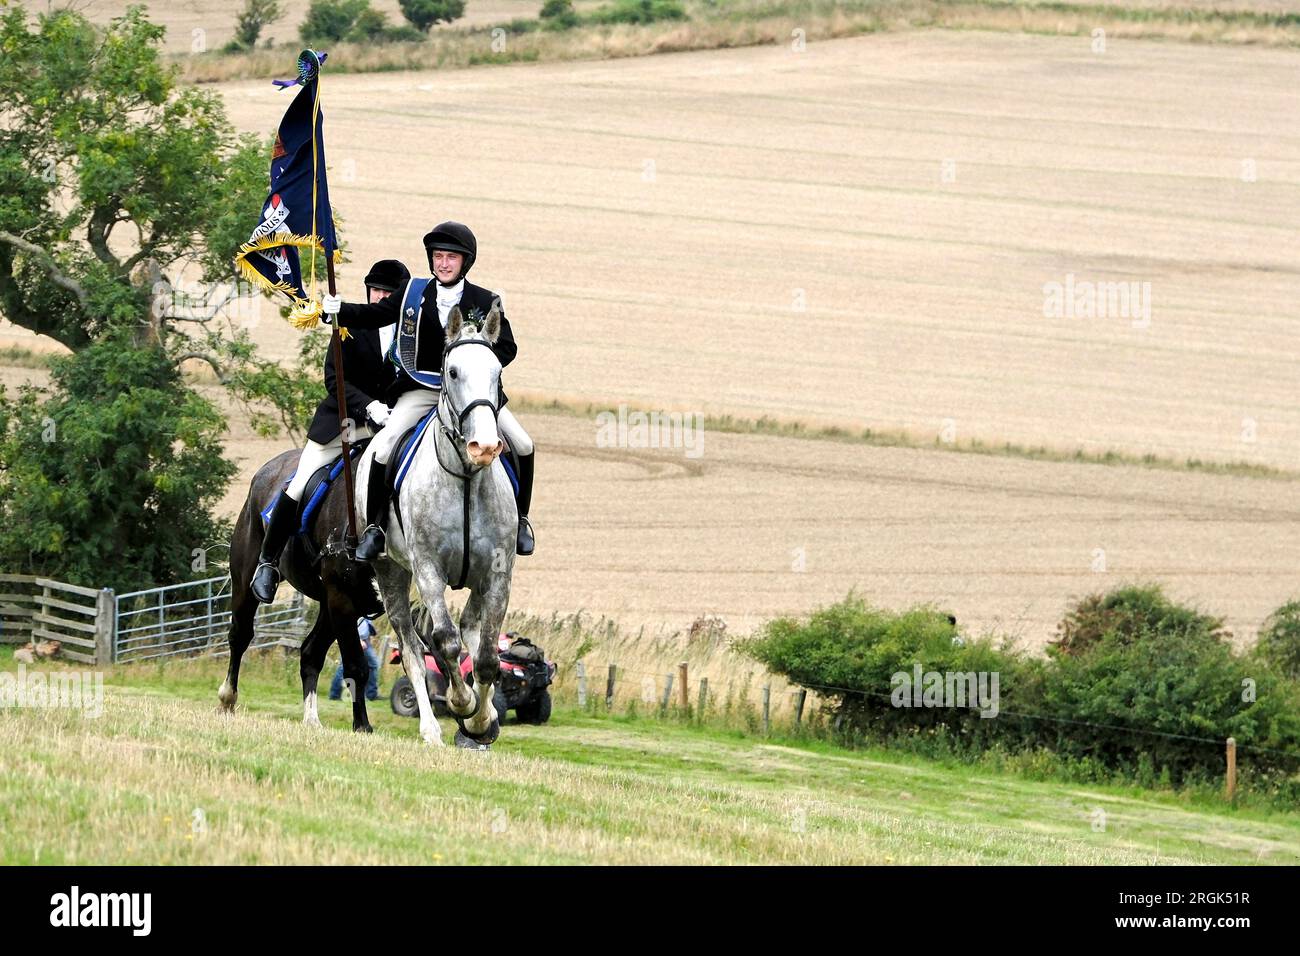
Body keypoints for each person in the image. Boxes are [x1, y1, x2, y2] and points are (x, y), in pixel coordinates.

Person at [321, 221, 536, 561]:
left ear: (465, 262)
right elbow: (374, 314)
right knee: (384, 446)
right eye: (438, 256)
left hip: (468, 393)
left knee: (523, 443)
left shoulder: (485, 300)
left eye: (451, 257)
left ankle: (521, 521)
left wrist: (472, 357)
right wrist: (339, 310)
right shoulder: (412, 293)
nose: (443, 263)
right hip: (421, 388)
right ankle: (376, 528)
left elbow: (507, 347)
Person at [250, 259, 410, 603]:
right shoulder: (348, 326)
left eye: (387, 292)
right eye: (375, 290)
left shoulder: (409, 334)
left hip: (392, 426)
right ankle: (268, 561)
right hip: (345, 423)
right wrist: (369, 406)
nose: (379, 297)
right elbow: (334, 379)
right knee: (300, 481)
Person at [329, 617, 381, 701]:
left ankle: (371, 694)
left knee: (373, 665)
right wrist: (358, 640)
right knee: (344, 667)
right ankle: (334, 694)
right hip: (352, 639)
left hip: (365, 640)